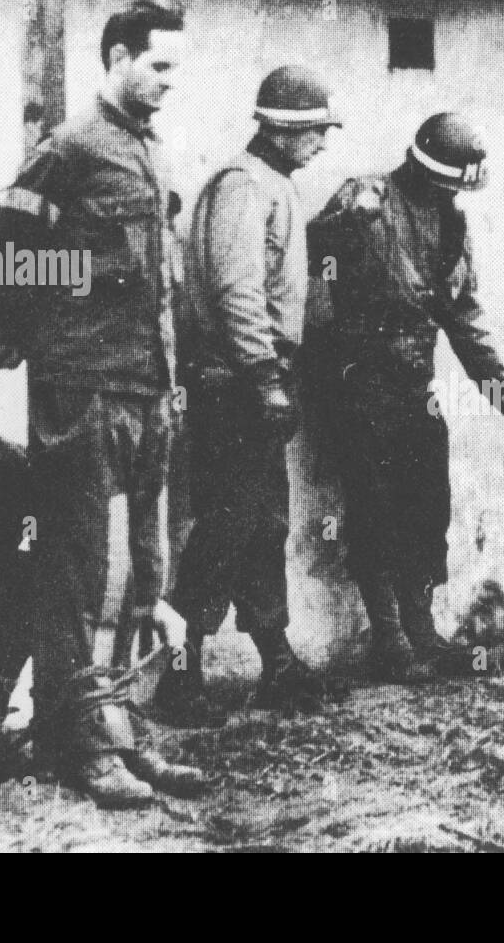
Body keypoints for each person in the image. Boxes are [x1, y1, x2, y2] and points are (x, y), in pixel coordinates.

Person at [0, 0, 187, 806]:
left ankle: (127, 730)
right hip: (84, 386)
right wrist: (34, 329)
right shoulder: (70, 148)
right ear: (120, 56)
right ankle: (77, 742)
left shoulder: (145, 149)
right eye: (159, 65)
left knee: (142, 565)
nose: (170, 82)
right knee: (74, 567)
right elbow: (1, 252)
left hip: (145, 384)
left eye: (175, 68)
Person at [307, 113, 504, 682]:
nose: (455, 196)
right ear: (426, 170)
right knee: (374, 512)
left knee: (426, 506)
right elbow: (311, 265)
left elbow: (464, 322)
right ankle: (389, 640)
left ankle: (421, 629)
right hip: (358, 387)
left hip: (415, 387)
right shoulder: (365, 200)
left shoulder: (452, 227)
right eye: (450, 184)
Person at [0, 394, 208, 807]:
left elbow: (79, 557)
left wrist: (153, 602)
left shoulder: (12, 469)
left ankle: (80, 737)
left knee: (46, 592)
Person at [154, 65, 343, 724]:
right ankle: (180, 675)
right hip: (233, 386)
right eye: (315, 130)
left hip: (256, 381)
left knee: (263, 526)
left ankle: (277, 665)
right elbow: (236, 290)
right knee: (228, 526)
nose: (322, 142)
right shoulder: (242, 184)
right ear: (283, 129)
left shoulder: (273, 185)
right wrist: (263, 378)